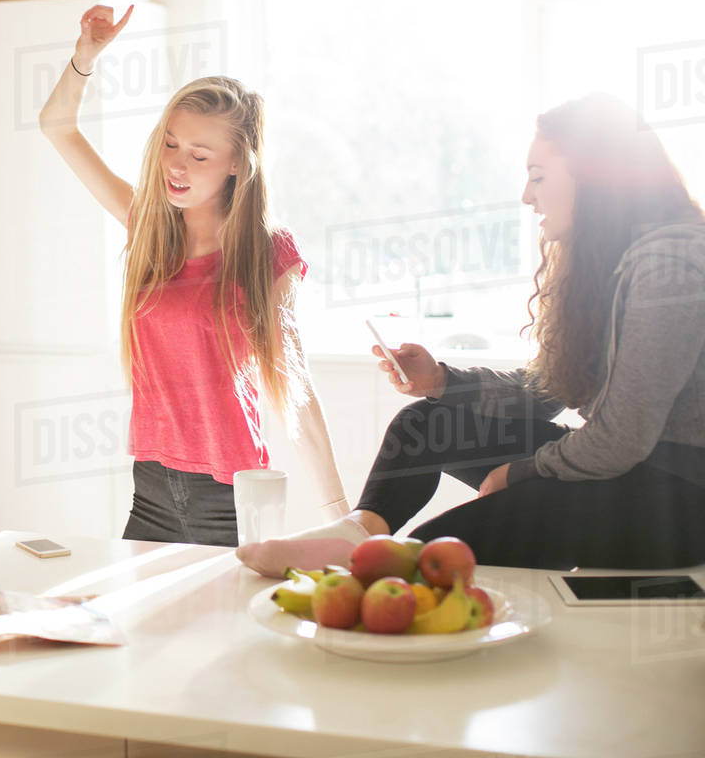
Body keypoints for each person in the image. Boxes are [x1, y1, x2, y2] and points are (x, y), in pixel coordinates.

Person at [238, 93, 705, 575]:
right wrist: (442, 381)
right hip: (629, 469)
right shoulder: (611, 261)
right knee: (424, 422)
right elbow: (550, 392)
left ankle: (366, 566)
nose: (527, 196)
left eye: (539, 177)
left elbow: (620, 441)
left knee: (427, 553)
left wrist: (521, 472)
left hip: (677, 497)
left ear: (597, 177)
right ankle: (353, 533)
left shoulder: (670, 267)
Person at [39, 5, 349, 548]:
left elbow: (294, 389)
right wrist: (84, 58)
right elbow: (57, 127)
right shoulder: (150, 228)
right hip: (150, 486)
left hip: (229, 496)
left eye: (200, 154)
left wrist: (341, 516)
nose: (176, 166)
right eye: (171, 144)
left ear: (237, 164)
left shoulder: (267, 253)